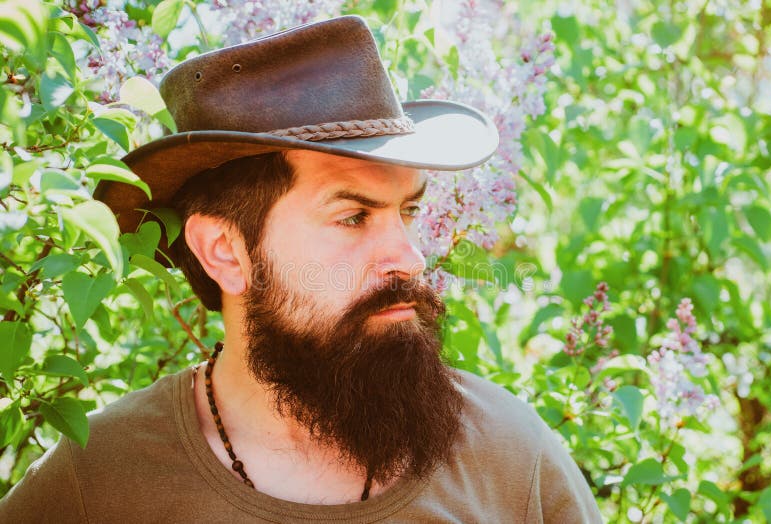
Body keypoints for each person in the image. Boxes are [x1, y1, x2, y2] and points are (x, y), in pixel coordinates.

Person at [0, 15, 602, 523]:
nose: (410, 258)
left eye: (407, 212)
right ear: (225, 252)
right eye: (352, 217)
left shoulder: (509, 457)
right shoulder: (107, 477)